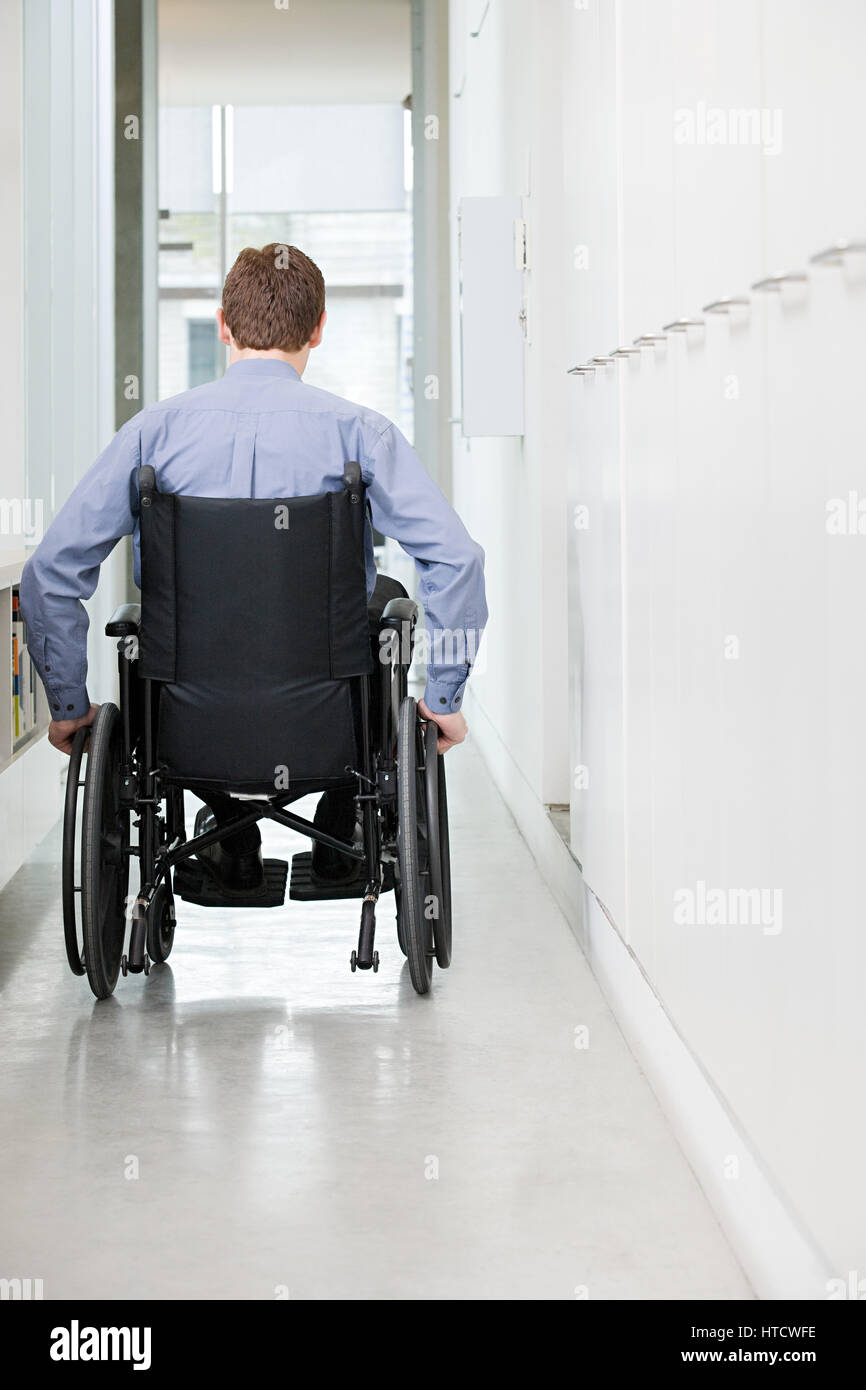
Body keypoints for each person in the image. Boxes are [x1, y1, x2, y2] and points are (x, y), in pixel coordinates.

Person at [19, 244, 487, 894]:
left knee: (160, 616)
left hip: (184, 726)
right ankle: (343, 814)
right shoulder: (361, 434)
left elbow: (50, 570)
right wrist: (444, 696)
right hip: (330, 724)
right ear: (319, 328)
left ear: (222, 325)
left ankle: (228, 828)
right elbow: (456, 560)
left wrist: (68, 702)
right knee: (388, 595)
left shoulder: (152, 435)